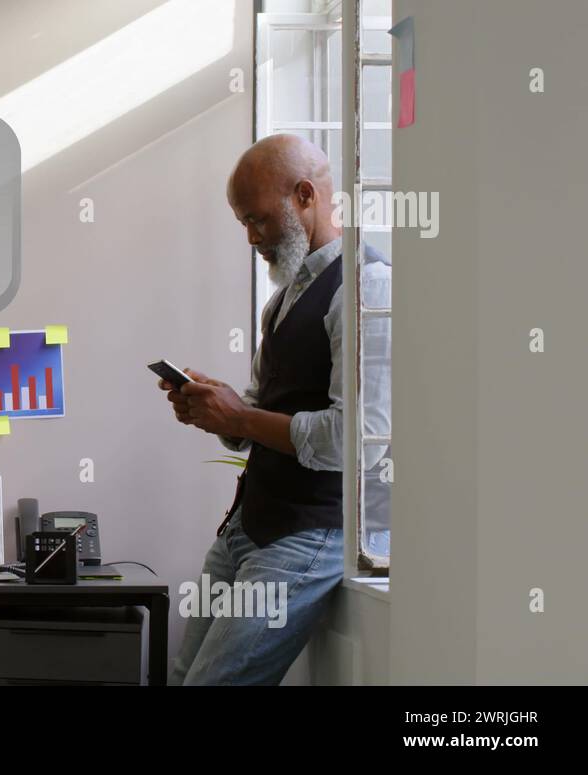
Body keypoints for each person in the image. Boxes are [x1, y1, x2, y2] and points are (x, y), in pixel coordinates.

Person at [165, 134, 391, 685]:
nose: (251, 237)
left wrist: (240, 418)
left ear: (306, 196)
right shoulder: (283, 298)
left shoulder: (366, 286)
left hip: (311, 532)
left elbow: (357, 438)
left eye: (258, 220)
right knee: (183, 674)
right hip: (251, 523)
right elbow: (263, 418)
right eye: (243, 222)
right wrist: (219, 411)